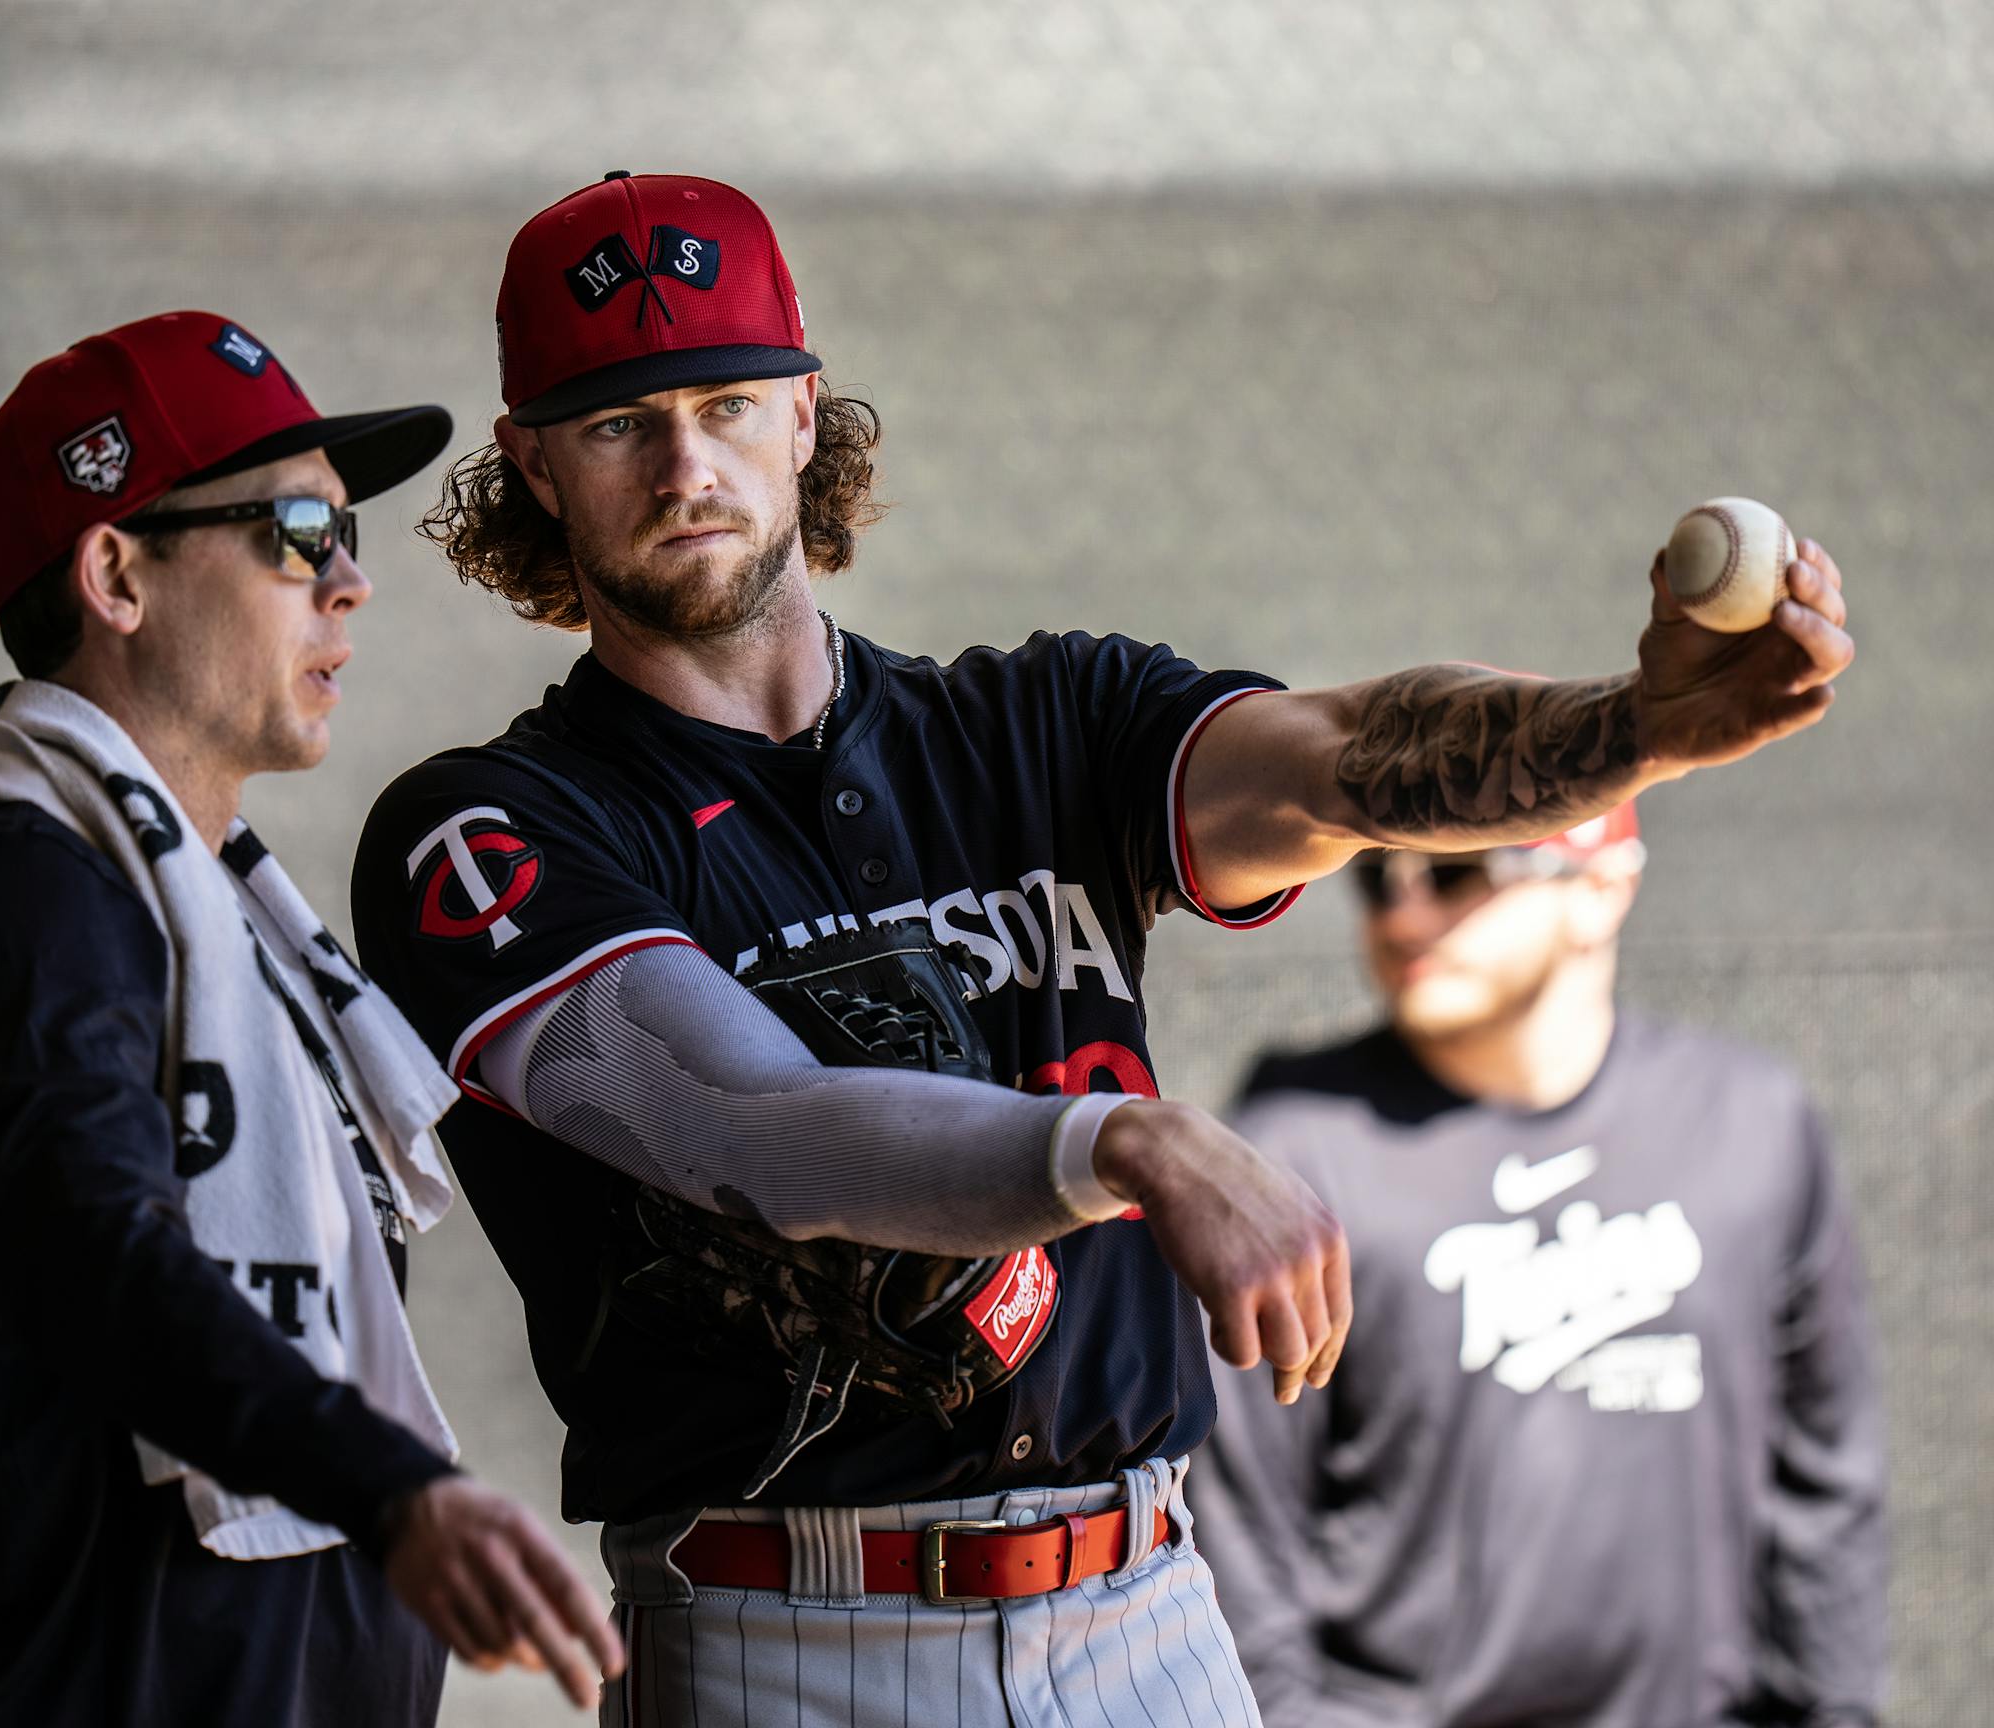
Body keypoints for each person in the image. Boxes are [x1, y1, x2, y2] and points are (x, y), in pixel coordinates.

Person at [348, 171, 1855, 1728]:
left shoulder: (1044, 723)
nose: (685, 465)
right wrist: (1129, 1142)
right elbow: (753, 1124)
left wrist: (1636, 730)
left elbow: (1339, 754)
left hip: (1149, 1614)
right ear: (529, 465)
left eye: (727, 402)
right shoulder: (487, 834)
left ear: (804, 415)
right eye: (617, 426)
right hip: (791, 1634)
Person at [0, 310, 622, 1728]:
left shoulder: (224, 920)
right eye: (292, 532)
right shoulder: (26, 895)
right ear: (115, 576)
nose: (349, 586)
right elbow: (98, 1259)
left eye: (349, 538)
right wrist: (397, 1492)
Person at [1186, 806, 1888, 1728]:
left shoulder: (1751, 1123)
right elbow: (1234, 1552)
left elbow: (1826, 1493)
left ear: (1600, 890)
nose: (1402, 916)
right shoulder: (1294, 1150)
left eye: (1454, 874)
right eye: (1375, 878)